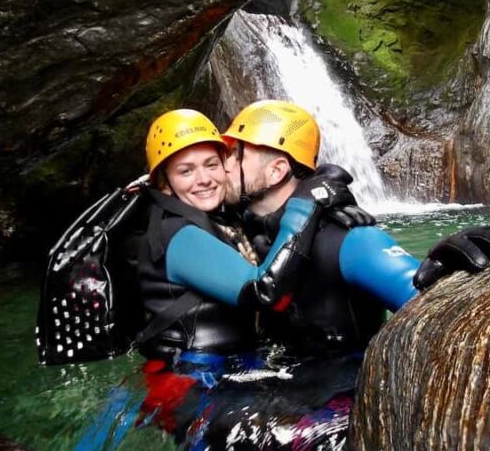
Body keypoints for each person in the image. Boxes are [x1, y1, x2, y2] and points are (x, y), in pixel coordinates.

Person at [221, 100, 490, 353]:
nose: (223, 165)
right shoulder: (247, 231)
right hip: (288, 391)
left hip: (343, 404)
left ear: (276, 172)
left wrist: (444, 271)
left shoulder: (349, 240)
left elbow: (420, 293)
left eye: (234, 154)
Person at [134, 108, 356, 359]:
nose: (204, 179)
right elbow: (264, 290)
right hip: (194, 382)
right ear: (165, 183)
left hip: (227, 368)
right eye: (186, 171)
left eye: (212, 164)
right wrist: (308, 203)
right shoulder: (178, 234)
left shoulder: (221, 218)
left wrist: (330, 211)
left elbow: (265, 217)